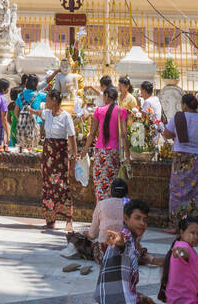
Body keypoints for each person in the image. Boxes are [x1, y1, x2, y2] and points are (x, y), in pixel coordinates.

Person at [96, 198, 188, 304]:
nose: (142, 223)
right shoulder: (125, 236)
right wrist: (119, 242)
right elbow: (121, 243)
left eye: (145, 220)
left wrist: (140, 297)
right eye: (137, 218)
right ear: (126, 219)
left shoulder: (133, 242)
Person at [163, 93, 198, 232]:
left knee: (177, 192)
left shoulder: (178, 117)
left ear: (184, 105)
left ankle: (175, 224)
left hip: (181, 159)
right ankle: (195, 225)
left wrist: (179, 136)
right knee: (197, 193)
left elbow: (167, 134)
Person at [39, 89, 77, 233]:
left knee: (62, 186)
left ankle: (69, 219)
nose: (46, 102)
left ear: (54, 100)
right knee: (48, 186)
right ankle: (50, 220)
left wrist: (74, 157)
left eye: (48, 99)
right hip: (48, 155)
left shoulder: (66, 116)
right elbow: (37, 112)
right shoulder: (47, 113)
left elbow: (72, 137)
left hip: (60, 155)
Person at [68, 177, 129, 262]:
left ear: (111, 191)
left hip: (104, 255)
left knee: (79, 239)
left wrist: (86, 234)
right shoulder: (132, 205)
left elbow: (92, 234)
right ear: (126, 192)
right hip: (127, 253)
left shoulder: (102, 204)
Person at [83, 84, 128, 199]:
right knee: (113, 183)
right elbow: (123, 134)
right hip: (114, 152)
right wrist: (127, 155)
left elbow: (92, 133)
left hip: (100, 152)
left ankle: (101, 209)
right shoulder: (122, 111)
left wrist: (85, 150)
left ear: (106, 96)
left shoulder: (98, 110)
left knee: (99, 184)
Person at [15, 73, 41, 151]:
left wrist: (23, 120)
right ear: (36, 84)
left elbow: (16, 112)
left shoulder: (20, 95)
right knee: (33, 149)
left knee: (22, 150)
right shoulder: (39, 95)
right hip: (34, 126)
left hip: (22, 127)